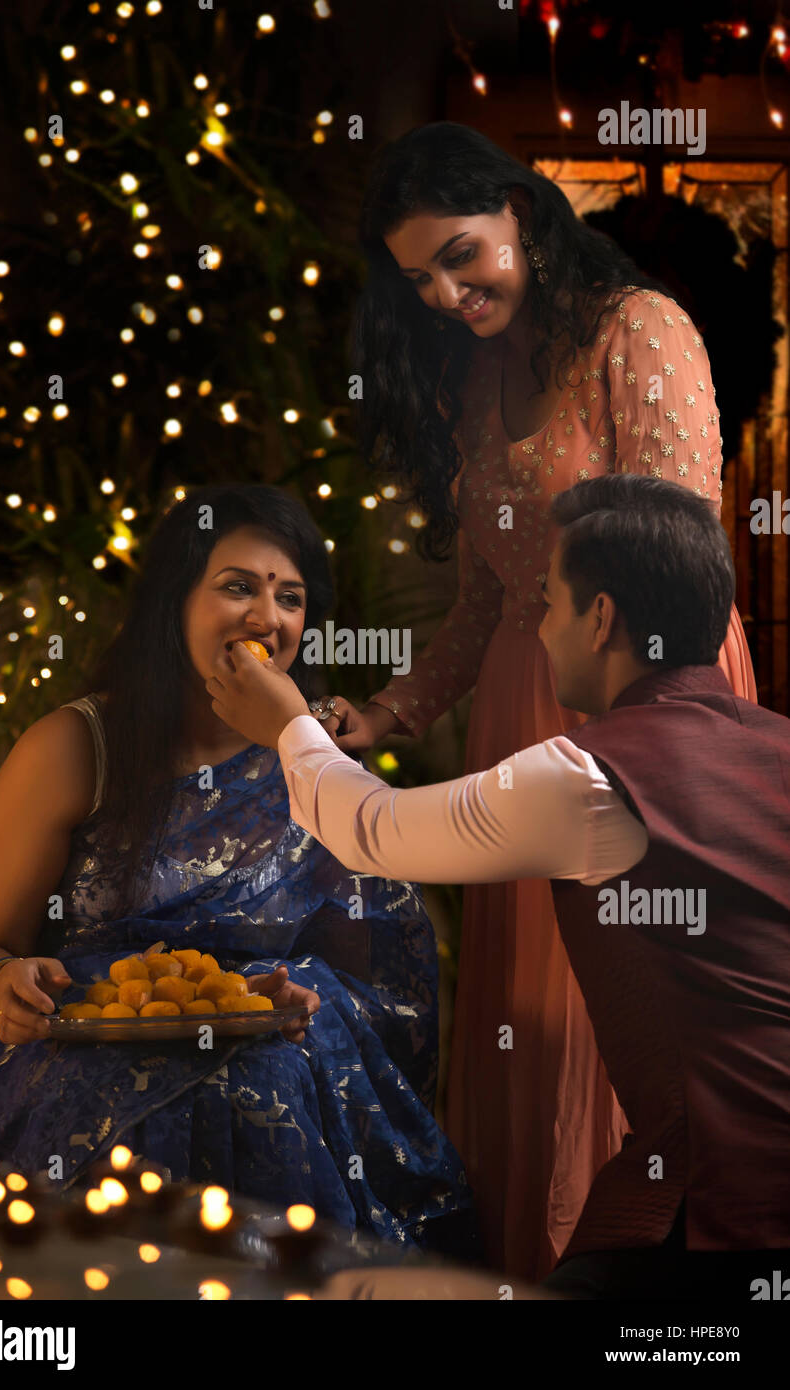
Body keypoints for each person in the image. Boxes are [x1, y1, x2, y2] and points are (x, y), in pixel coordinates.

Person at [317, 121, 757, 1279]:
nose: (448, 295)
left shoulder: (637, 331)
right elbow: (482, 600)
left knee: (622, 1017)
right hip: (525, 690)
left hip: (635, 689)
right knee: (529, 1012)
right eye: (420, 279)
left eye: (463, 256)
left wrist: (627, 730)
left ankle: (639, 1286)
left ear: (523, 209)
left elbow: (676, 564)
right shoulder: (476, 372)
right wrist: (393, 712)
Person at [208, 474, 790, 1300]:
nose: (542, 632)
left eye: (547, 605)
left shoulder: (589, 781)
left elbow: (376, 830)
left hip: (720, 1214)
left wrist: (286, 725)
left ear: (601, 619)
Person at [0, 484, 476, 1257]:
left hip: (272, 1057)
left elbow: (381, 976)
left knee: (265, 1084)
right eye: (237, 587)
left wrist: (301, 996)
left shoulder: (311, 757)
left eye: (290, 597)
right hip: (79, 1051)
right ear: (172, 604)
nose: (268, 617)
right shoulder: (78, 746)